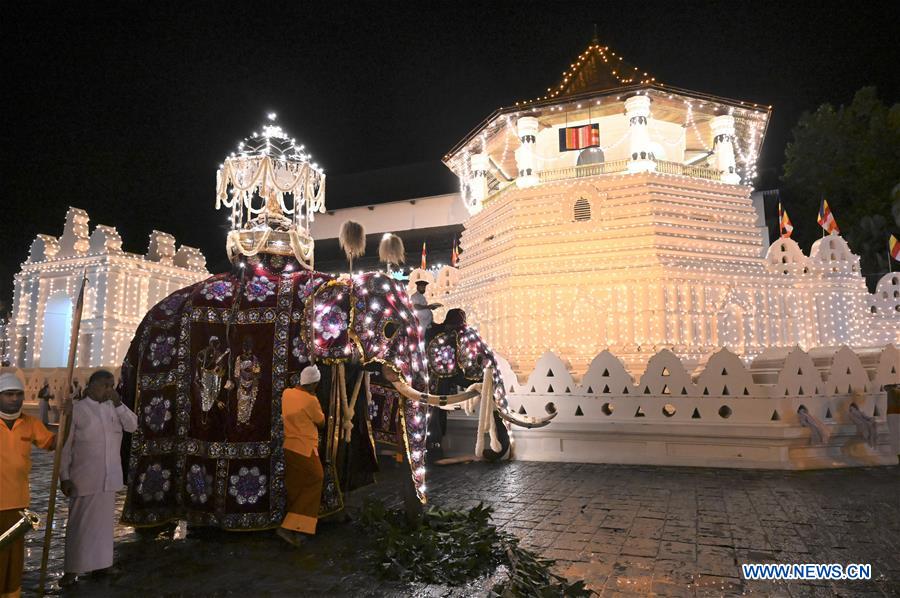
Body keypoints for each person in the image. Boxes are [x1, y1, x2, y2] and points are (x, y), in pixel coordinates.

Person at [59, 370, 137, 586]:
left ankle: (102, 565)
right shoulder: (76, 410)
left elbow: (132, 425)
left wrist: (120, 404)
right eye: (105, 385)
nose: (109, 389)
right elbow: (64, 447)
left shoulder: (114, 408)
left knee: (103, 527)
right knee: (79, 526)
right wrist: (64, 476)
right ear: (92, 385)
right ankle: (72, 570)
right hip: (84, 477)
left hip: (109, 478)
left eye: (112, 385)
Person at [0, 373, 55, 598]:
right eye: (8, 394)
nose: (14, 399)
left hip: (17, 503)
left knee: (12, 560)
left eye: (18, 394)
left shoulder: (31, 423)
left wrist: (70, 417)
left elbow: (53, 444)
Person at [277, 365, 325, 547]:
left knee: (296, 487)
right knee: (316, 478)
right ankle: (289, 526)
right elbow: (320, 422)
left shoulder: (287, 393)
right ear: (313, 385)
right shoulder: (311, 400)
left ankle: (296, 528)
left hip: (289, 446)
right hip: (305, 448)